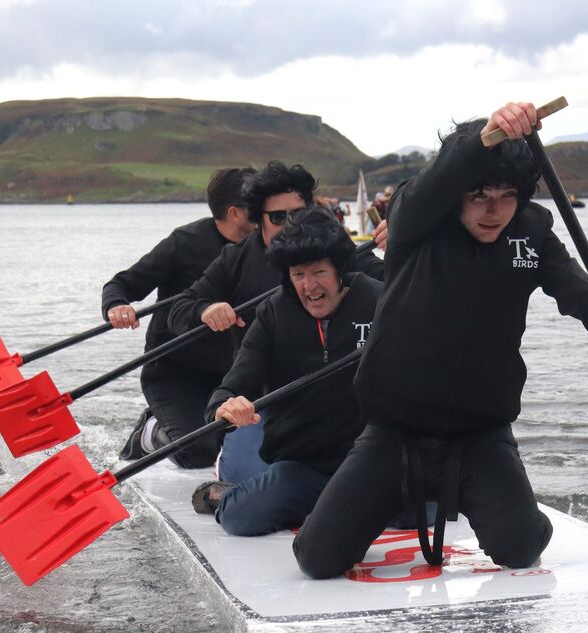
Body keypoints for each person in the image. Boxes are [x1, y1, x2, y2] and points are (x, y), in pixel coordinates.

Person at [292, 101, 588, 579]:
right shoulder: (416, 221)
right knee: (317, 560)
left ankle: (493, 502)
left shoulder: (530, 232)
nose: (493, 211)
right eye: (480, 194)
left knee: (521, 548)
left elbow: (580, 290)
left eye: (507, 196)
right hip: (394, 433)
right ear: (456, 191)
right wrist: (479, 140)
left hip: (479, 434)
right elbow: (430, 185)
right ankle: (375, 502)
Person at [167, 161, 385, 483]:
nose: (290, 224)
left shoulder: (334, 251)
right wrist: (205, 309)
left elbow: (402, 283)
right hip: (263, 400)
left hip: (339, 401)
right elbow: (178, 310)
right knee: (242, 472)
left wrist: (406, 247)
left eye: (298, 214)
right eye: (278, 217)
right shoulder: (235, 259)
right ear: (259, 222)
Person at [190, 206, 381, 535]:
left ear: (340, 269)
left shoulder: (382, 301)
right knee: (242, 519)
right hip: (304, 466)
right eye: (298, 275)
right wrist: (226, 406)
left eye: (319, 272)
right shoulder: (273, 314)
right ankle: (223, 495)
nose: (309, 286)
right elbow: (228, 390)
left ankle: (330, 504)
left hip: (372, 459)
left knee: (432, 503)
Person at [101, 167, 257, 468]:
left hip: (234, 373)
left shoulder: (265, 245)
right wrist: (117, 305)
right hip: (175, 373)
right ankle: (151, 431)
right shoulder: (185, 242)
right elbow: (122, 284)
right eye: (259, 204)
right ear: (235, 212)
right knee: (201, 451)